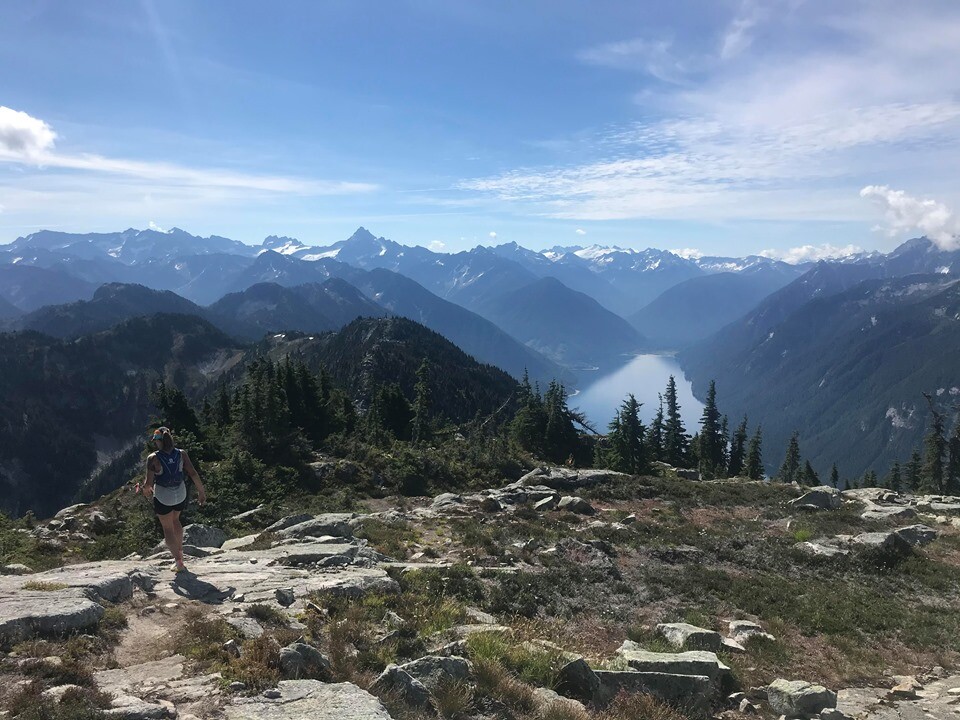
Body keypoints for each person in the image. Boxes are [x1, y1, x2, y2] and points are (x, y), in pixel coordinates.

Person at [136, 427, 207, 572]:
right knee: (176, 521)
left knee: (167, 528)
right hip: (180, 493)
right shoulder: (181, 454)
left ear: (158, 442)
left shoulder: (153, 458)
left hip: (163, 496)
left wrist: (143, 489)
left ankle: (178, 561)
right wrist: (201, 492)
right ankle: (180, 553)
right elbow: (192, 473)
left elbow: (149, 485)